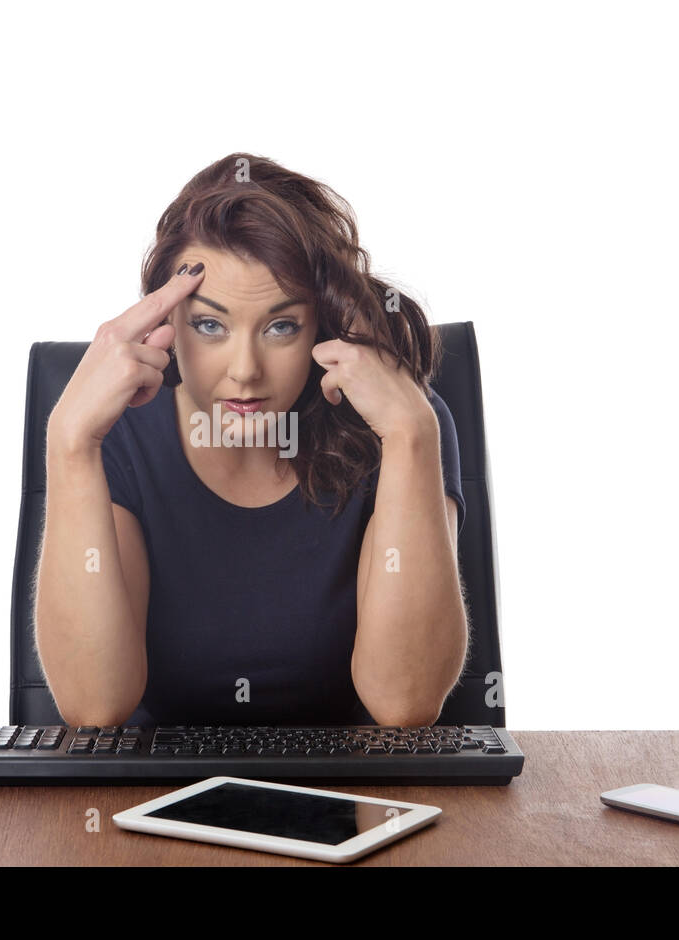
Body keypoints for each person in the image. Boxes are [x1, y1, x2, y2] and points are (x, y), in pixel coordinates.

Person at [35, 154, 470, 728]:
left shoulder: (399, 425)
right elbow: (95, 706)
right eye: (210, 325)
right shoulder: (117, 436)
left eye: (281, 326)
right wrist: (69, 442)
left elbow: (404, 703)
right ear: (165, 319)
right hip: (149, 801)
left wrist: (413, 437)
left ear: (323, 323)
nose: (245, 370)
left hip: (349, 796)